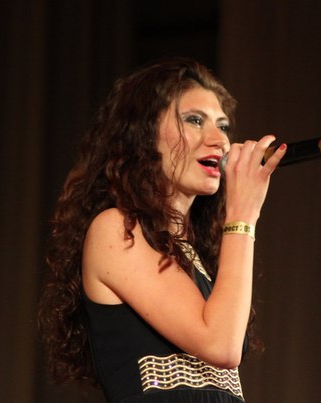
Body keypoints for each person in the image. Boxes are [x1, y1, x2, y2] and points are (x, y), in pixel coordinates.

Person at [37, 58, 287, 402]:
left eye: (224, 126)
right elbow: (221, 344)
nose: (220, 141)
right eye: (194, 120)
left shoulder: (197, 255)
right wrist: (243, 213)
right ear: (144, 135)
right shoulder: (116, 230)